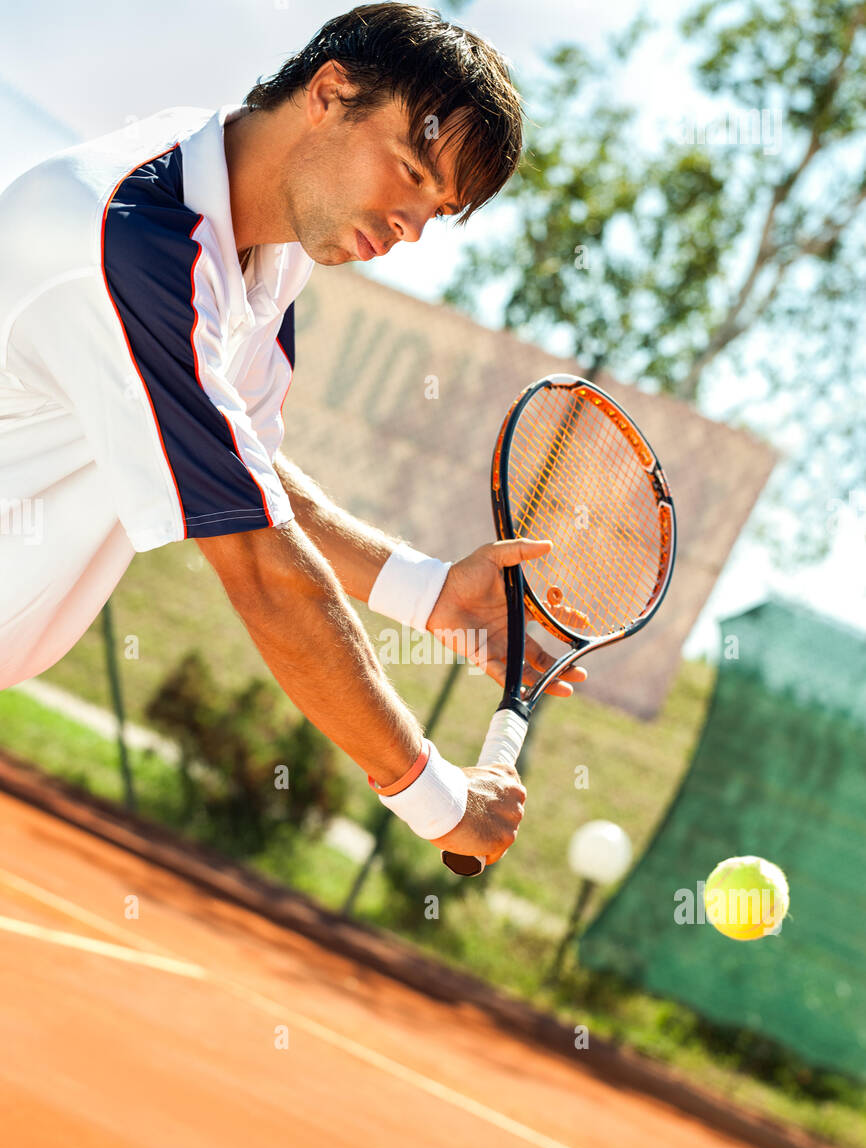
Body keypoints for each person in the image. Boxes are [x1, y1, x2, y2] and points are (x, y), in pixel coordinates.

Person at [0, 3, 584, 868]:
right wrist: (435, 798)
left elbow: (251, 472)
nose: (412, 227)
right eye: (411, 170)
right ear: (330, 93)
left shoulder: (266, 248)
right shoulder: (132, 240)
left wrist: (427, 593)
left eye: (439, 209)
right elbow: (263, 567)